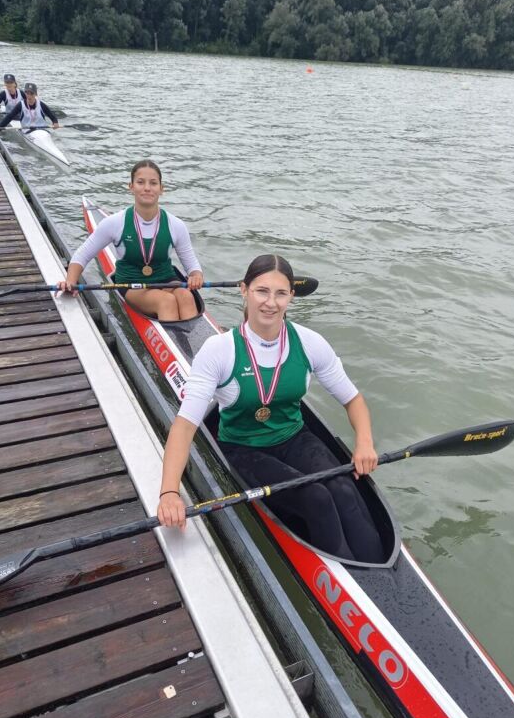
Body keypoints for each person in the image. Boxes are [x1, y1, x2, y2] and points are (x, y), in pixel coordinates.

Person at [157, 253, 385, 563]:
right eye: (262, 291)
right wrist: (169, 492)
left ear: (291, 296)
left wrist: (365, 443)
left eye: (280, 293)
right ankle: (344, 574)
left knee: (344, 489)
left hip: (295, 438)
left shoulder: (309, 342)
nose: (271, 303)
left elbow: (353, 400)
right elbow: (184, 428)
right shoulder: (219, 351)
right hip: (243, 447)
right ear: (244, 291)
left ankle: (377, 568)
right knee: (316, 498)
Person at [58, 159, 203, 321]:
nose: (147, 188)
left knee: (186, 296)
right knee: (166, 301)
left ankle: (191, 340)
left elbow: (192, 266)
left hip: (166, 281)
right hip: (132, 285)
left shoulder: (176, 225)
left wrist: (196, 276)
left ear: (161, 189)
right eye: (140, 182)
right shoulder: (114, 223)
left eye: (153, 183)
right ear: (131, 187)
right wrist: (70, 281)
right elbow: (81, 256)